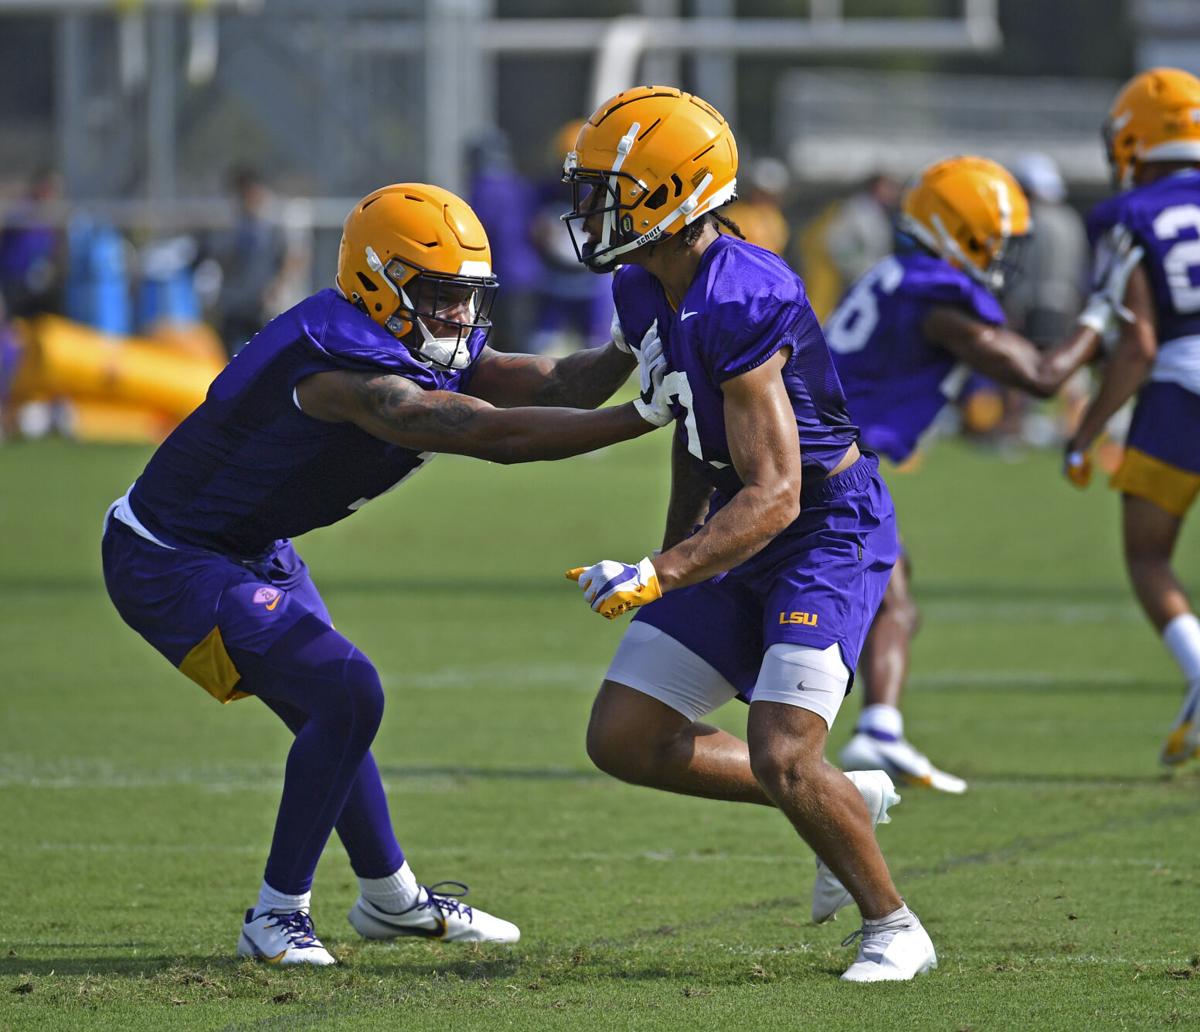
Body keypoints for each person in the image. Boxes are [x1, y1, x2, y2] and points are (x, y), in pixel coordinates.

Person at [101, 182, 671, 965]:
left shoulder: (402, 332)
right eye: (439, 297)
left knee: (333, 707)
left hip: (248, 543)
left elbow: (549, 386)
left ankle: (390, 899)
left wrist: (627, 349)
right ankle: (276, 916)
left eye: (466, 298)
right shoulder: (339, 366)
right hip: (169, 556)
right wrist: (640, 416)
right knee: (347, 689)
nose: (457, 320)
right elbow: (488, 434)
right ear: (379, 280)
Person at [560, 85, 934, 983]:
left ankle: (894, 927)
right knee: (624, 734)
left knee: (782, 750)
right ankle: (848, 799)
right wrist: (442, 374)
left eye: (614, 187)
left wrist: (658, 571)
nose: (592, 208)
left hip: (819, 529)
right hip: (735, 519)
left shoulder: (743, 293)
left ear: (673, 196)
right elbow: (614, 397)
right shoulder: (645, 282)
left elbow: (776, 490)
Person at [825, 156, 1139, 792]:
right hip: (834, 463)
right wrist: (1101, 319)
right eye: (993, 240)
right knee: (861, 603)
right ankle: (843, 755)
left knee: (894, 594)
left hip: (830, 456)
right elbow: (1044, 376)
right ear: (956, 231)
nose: (1004, 255)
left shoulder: (897, 273)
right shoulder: (938, 298)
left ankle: (880, 729)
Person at [1063, 68, 1200, 768]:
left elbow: (1139, 342)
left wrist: (1086, 434)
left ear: (1132, 141)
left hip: (1182, 390)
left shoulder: (1127, 214)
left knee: (1149, 554)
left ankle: (1199, 669)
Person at [204, 166, 303, 358]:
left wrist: (276, 287)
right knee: (226, 356)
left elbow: (289, 258)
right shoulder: (229, 228)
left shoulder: (272, 228)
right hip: (232, 303)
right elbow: (217, 259)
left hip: (259, 305)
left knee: (264, 355)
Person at [0, 167, 65, 318]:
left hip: (34, 284)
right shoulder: (22, 209)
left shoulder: (49, 217)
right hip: (12, 279)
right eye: (49, 188)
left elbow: (52, 250)